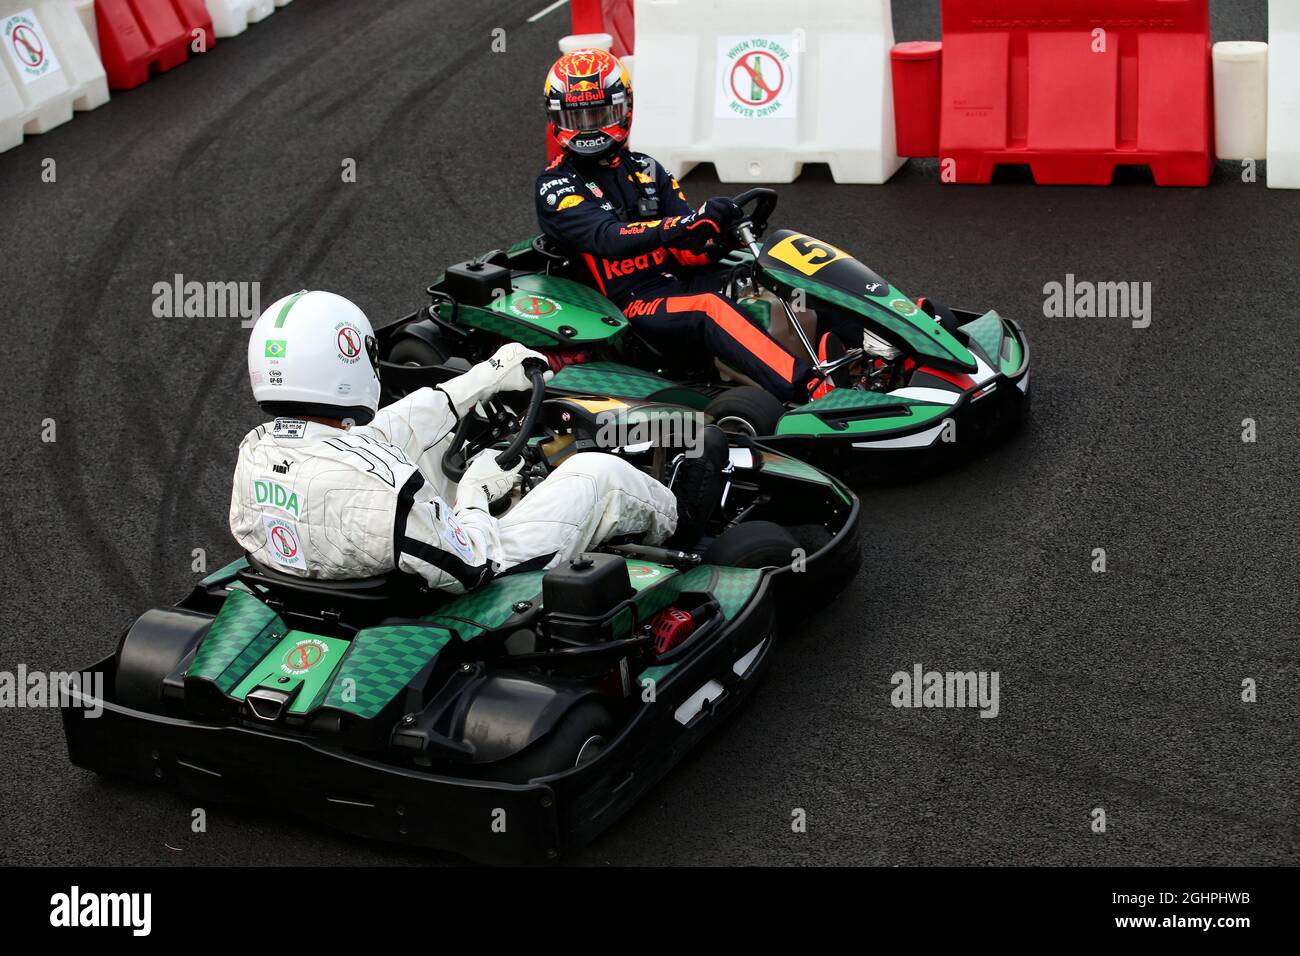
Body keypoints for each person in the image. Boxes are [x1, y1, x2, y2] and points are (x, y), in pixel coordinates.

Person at [230, 290, 726, 593]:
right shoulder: (388, 487)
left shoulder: (256, 450)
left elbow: (380, 436)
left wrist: (485, 378)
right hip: (464, 574)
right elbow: (470, 564)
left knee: (420, 440)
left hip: (329, 573)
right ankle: (676, 521)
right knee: (598, 476)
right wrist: (473, 493)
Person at [536, 48, 858, 403]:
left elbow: (688, 250)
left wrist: (716, 236)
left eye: (599, 114)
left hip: (680, 281)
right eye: (579, 118)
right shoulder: (556, 185)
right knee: (708, 306)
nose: (591, 128)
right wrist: (683, 224)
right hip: (629, 302)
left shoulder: (646, 169)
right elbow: (606, 238)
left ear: (623, 107)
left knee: (783, 270)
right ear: (557, 118)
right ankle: (811, 388)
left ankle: (879, 345)